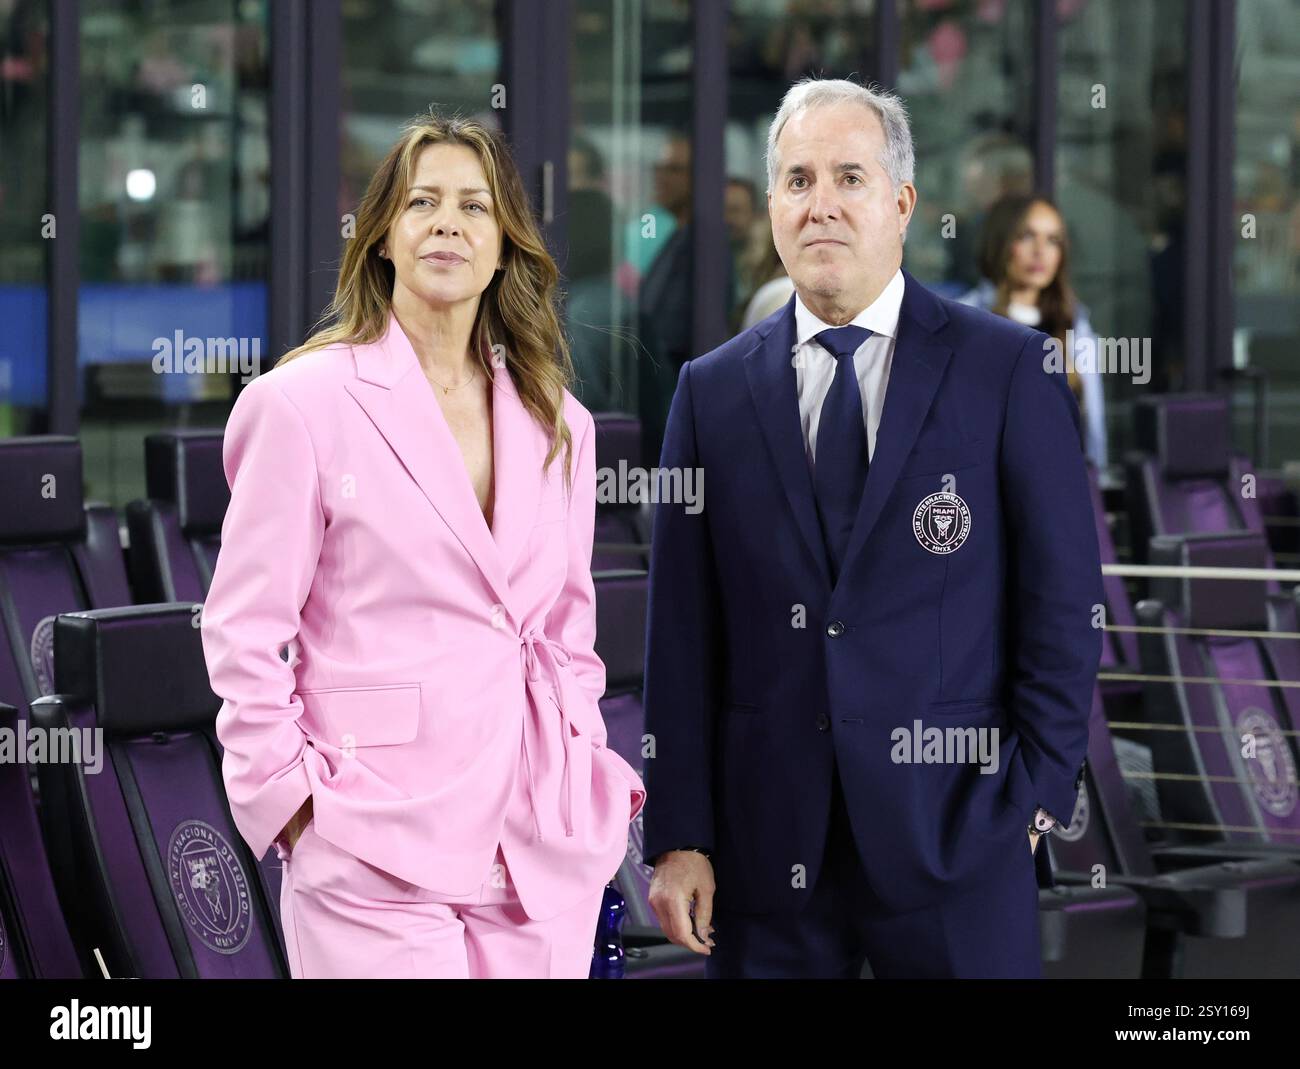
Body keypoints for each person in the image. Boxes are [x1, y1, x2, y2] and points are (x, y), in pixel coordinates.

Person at [641, 78, 1100, 978]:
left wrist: (1036, 800)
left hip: (958, 844)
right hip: (767, 859)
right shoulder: (710, 392)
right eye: (798, 179)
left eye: (850, 177)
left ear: (902, 203)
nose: (822, 204)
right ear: (772, 205)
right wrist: (680, 834)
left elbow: (1062, 604)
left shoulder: (1007, 369)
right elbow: (682, 634)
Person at [200, 110, 645, 979]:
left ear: (505, 245)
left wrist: (580, 755)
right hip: (371, 832)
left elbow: (567, 626)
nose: (448, 223)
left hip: (536, 842)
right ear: (381, 237)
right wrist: (289, 801)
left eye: (475, 206)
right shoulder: (301, 403)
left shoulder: (560, 420)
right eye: (422, 202)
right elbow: (243, 629)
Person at [958, 193, 1108, 470]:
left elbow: (1093, 428)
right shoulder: (964, 320)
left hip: (1062, 480)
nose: (1041, 251)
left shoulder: (1075, 323)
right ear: (1000, 243)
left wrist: (1096, 480)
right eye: (1027, 236)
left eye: (1053, 240)